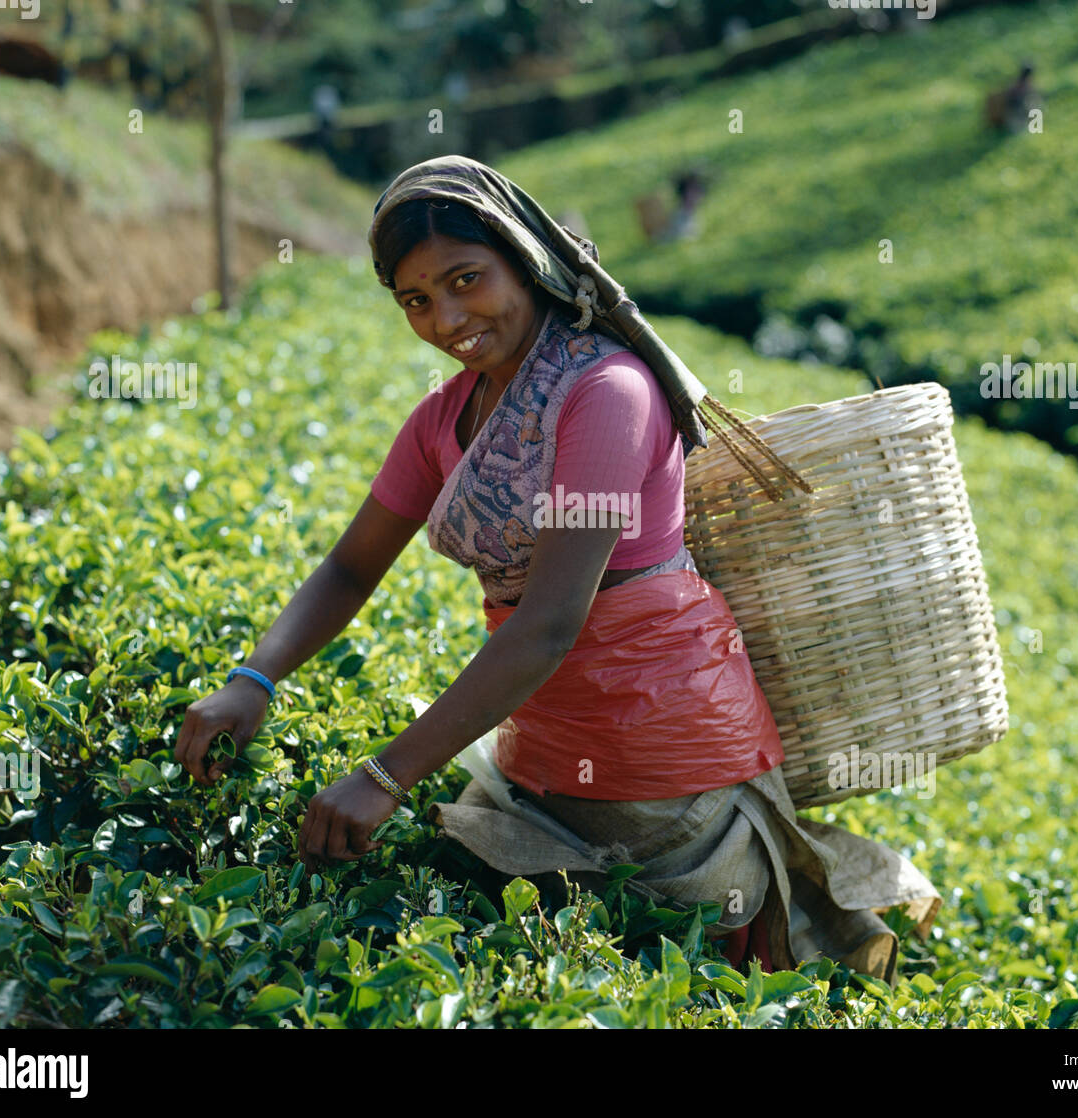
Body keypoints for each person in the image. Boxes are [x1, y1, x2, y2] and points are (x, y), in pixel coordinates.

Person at [174, 154, 942, 984]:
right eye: (417, 300)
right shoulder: (446, 418)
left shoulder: (607, 394)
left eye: (468, 279)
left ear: (525, 260)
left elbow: (548, 625)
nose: (447, 318)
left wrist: (383, 775)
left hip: (666, 780)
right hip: (540, 763)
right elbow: (349, 569)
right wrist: (254, 676)